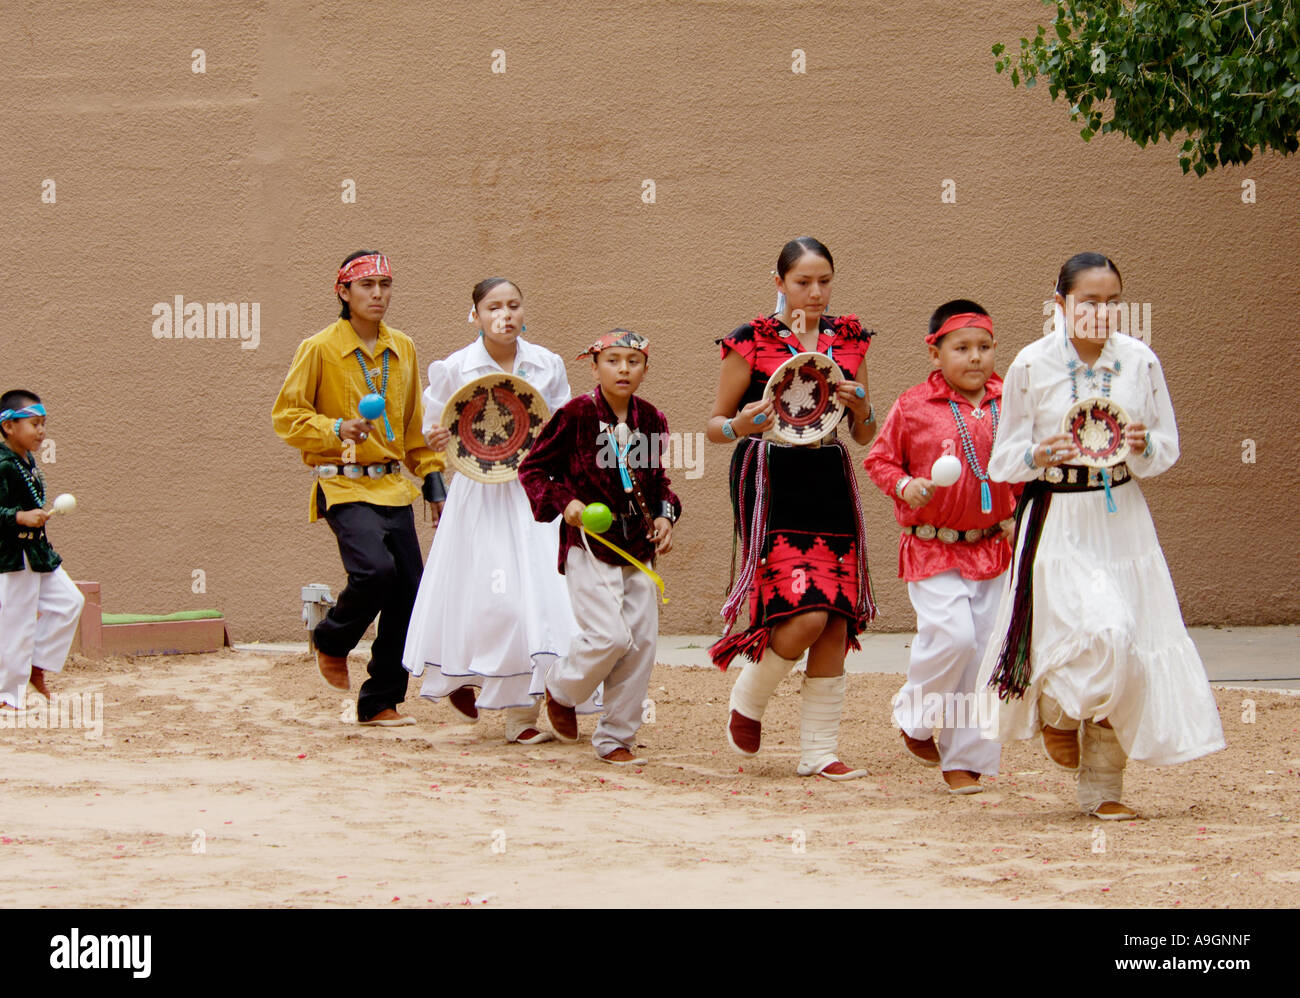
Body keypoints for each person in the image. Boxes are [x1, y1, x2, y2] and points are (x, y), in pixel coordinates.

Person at [976, 252, 1225, 819]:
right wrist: (1038, 454)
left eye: (1113, 302)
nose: (1102, 312)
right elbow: (1004, 461)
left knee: (1131, 642)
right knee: (1102, 630)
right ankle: (1061, 712)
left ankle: (1104, 790)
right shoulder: (1030, 364)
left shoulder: (1139, 360)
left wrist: (1142, 446)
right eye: (1088, 301)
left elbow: (1167, 448)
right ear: (1059, 301)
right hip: (1057, 518)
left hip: (1122, 520)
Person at [706, 237, 878, 780]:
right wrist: (743, 423)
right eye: (803, 281)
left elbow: (866, 433)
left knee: (835, 619)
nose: (816, 291)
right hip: (769, 475)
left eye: (824, 280)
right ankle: (750, 697)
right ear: (778, 282)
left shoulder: (849, 338)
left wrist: (861, 406)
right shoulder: (750, 339)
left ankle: (819, 751)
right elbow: (716, 426)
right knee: (805, 612)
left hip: (828, 473)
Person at [403, 277, 592, 744]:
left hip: (534, 493)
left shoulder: (546, 363)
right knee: (493, 598)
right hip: (480, 495)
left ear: (524, 311)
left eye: (513, 305)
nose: (504, 314)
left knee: (546, 596)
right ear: (476, 315)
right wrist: (439, 438)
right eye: (493, 307)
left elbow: (564, 422)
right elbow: (432, 430)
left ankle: (523, 715)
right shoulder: (453, 368)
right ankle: (471, 677)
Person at [272, 251, 447, 727]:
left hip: (392, 485)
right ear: (343, 292)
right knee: (375, 572)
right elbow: (286, 417)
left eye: (385, 284)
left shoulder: (404, 348)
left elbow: (413, 425)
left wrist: (433, 478)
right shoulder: (320, 347)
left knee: (409, 591)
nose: (378, 294)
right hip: (342, 486)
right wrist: (335, 429)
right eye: (367, 285)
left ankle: (380, 701)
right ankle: (331, 639)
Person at [863, 301, 1018, 794]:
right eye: (961, 348)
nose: (975, 358)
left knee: (984, 657)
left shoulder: (1010, 401)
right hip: (932, 549)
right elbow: (879, 460)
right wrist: (905, 485)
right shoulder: (913, 406)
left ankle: (964, 762)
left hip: (992, 548)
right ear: (935, 353)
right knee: (953, 639)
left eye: (985, 347)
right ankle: (915, 716)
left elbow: (1027, 462)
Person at [518, 330, 679, 765]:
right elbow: (532, 470)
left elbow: (660, 482)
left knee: (641, 642)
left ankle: (615, 739)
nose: (623, 369)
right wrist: (564, 502)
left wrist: (665, 516)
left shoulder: (652, 420)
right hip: (589, 544)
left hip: (637, 544)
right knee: (609, 636)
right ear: (594, 367)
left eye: (633, 361)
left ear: (645, 368)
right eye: (612, 360)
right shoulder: (574, 415)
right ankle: (561, 689)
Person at [0, 390, 85, 712]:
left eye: (43, 424)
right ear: (8, 426)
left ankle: (36, 666)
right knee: (17, 620)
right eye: (34, 423)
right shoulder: (1, 463)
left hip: (37, 553)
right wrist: (19, 516)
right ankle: (7, 693)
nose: (41, 431)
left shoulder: (26, 460)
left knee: (70, 601)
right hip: (13, 555)